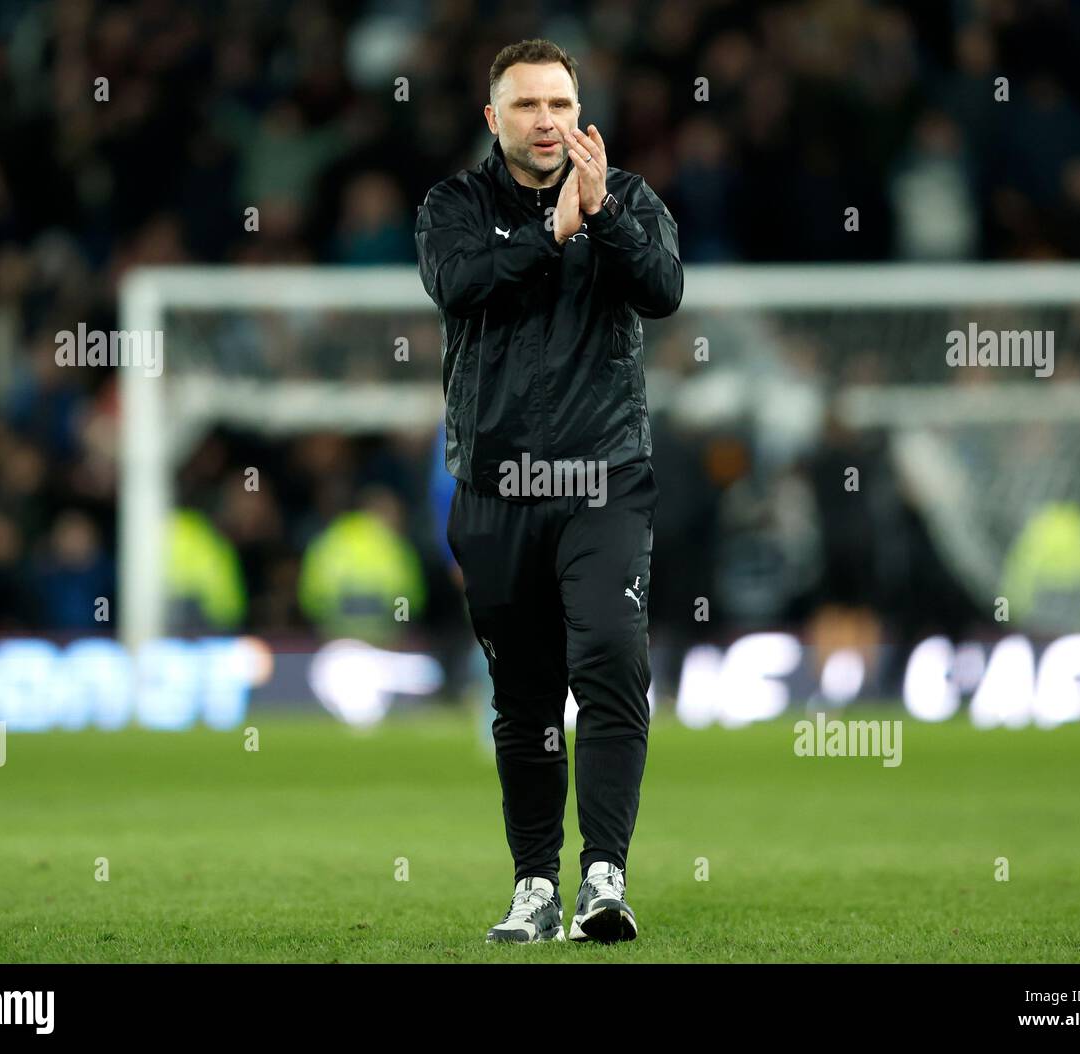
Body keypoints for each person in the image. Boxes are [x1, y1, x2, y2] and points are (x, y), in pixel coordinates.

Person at [414, 39, 683, 944]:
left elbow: (663, 291)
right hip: (494, 491)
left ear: (581, 114)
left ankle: (603, 877)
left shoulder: (629, 199)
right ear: (493, 119)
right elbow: (462, 284)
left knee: (610, 654)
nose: (546, 122)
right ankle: (535, 884)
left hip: (602, 478)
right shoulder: (453, 207)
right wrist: (551, 234)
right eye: (527, 106)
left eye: (561, 105)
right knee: (524, 699)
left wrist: (600, 215)